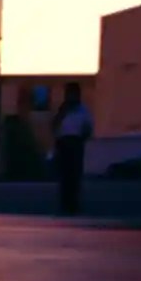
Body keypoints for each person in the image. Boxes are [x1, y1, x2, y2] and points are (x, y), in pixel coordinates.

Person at [52, 81, 93, 216]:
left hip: (76, 142)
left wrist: (82, 138)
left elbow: (88, 126)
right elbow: (55, 125)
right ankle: (65, 204)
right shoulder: (63, 109)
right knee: (64, 175)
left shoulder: (82, 109)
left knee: (75, 175)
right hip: (64, 142)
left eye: (74, 93)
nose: (71, 96)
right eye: (69, 93)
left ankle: (74, 204)